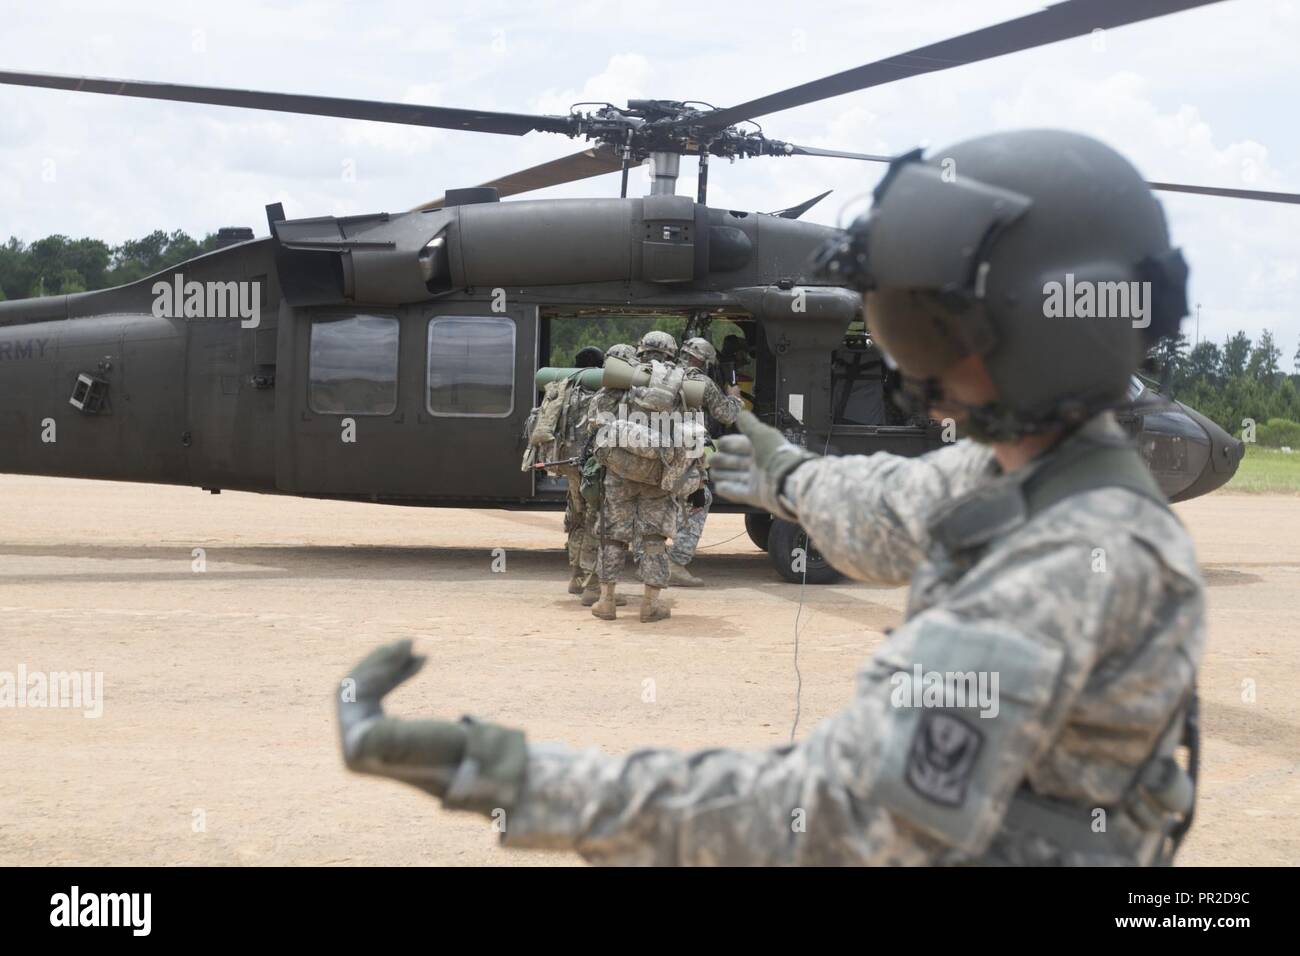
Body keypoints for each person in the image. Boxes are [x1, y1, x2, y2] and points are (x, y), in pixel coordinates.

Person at [335, 130, 1203, 865]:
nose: (910, 361)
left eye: (929, 324)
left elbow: (821, 811)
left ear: (1037, 334)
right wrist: (790, 475)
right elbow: (897, 506)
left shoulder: (1065, 571)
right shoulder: (1037, 475)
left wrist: (516, 782)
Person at [664, 337, 743, 586]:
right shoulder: (701, 381)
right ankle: (675, 563)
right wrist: (735, 397)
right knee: (699, 500)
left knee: (653, 502)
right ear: (703, 361)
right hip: (686, 453)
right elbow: (727, 415)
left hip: (653, 450)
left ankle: (649, 560)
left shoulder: (661, 375)